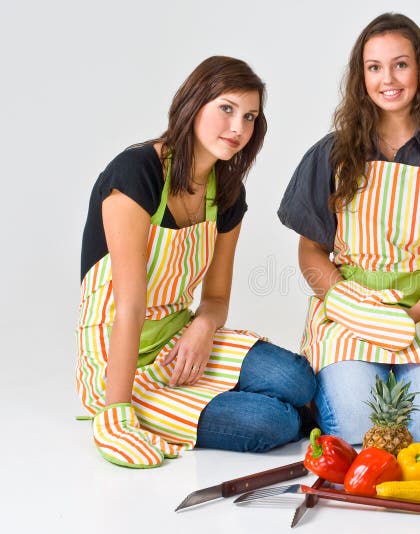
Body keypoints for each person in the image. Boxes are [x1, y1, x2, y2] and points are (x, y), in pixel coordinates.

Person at [278, 13, 420, 448]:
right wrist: (358, 309)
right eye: (374, 67)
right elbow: (311, 251)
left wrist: (411, 316)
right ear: (360, 75)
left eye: (400, 64)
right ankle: (342, 379)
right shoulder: (333, 154)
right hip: (349, 313)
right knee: (351, 429)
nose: (388, 78)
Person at [77, 56, 316, 468]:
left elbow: (217, 296)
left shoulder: (226, 192)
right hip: (118, 356)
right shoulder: (138, 174)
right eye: (226, 108)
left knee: (296, 378)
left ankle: (233, 401)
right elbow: (129, 307)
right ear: (193, 103)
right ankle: (149, 406)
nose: (238, 127)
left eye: (250, 116)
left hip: (180, 338)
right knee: (272, 421)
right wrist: (116, 416)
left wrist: (203, 327)